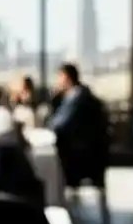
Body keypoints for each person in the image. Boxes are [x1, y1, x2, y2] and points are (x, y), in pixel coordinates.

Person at [47, 63, 110, 193]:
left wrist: (53, 100)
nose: (57, 81)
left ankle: (57, 200)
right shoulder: (80, 94)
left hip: (82, 157)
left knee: (49, 161)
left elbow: (59, 125)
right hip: (90, 153)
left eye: (60, 77)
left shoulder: (76, 98)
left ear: (67, 78)